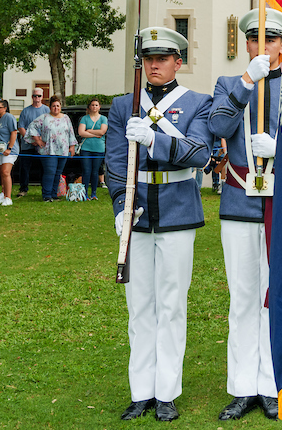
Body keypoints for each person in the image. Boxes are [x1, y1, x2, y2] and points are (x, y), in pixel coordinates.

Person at [107, 26, 212, 422]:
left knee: (170, 305)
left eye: (163, 58)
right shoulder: (123, 106)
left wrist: (154, 140)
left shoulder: (197, 103)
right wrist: (120, 205)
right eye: (148, 58)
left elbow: (199, 154)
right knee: (139, 305)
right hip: (136, 212)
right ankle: (141, 391)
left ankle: (166, 391)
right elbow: (117, 162)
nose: (154, 64)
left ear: (177, 62)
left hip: (177, 210)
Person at [207, 9, 282, 422]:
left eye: (270, 39)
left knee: (274, 299)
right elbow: (218, 127)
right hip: (239, 203)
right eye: (255, 39)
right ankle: (242, 387)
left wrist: (281, 150)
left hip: (281, 205)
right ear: (248, 45)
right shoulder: (227, 83)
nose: (262, 46)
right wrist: (246, 85)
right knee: (242, 300)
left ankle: (271, 385)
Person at [27, 96, 76, 202]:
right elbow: (32, 127)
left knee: (58, 173)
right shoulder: (44, 117)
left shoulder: (66, 118)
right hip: (48, 150)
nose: (56, 108)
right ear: (50, 107)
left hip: (63, 150)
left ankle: (54, 194)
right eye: (53, 106)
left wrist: (72, 147)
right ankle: (47, 195)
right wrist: (38, 140)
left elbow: (71, 133)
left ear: (60, 107)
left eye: (58, 106)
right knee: (50, 172)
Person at [17, 89, 49, 197]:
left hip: (43, 144)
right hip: (27, 144)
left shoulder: (47, 110)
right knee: (25, 168)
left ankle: (45, 189)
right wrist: (32, 139)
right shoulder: (25, 111)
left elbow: (49, 127)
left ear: (42, 96)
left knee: (44, 167)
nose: (37, 98)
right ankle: (23, 189)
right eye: (35, 96)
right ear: (32, 96)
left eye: (39, 96)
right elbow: (21, 127)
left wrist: (39, 140)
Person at [0, 97, 19, 206]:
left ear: (5, 108)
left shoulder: (9, 117)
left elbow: (14, 132)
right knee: (1, 173)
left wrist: (9, 148)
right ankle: (3, 194)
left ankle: (8, 197)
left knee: (6, 172)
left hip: (9, 150)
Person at [77, 99, 107, 202]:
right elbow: (81, 132)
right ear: (89, 107)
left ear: (99, 107)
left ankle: (93, 193)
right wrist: (95, 134)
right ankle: (84, 193)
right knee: (86, 170)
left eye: (96, 105)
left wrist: (89, 131)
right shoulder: (84, 118)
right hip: (86, 148)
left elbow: (102, 131)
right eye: (92, 105)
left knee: (95, 171)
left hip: (99, 149)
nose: (94, 107)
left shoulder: (103, 119)